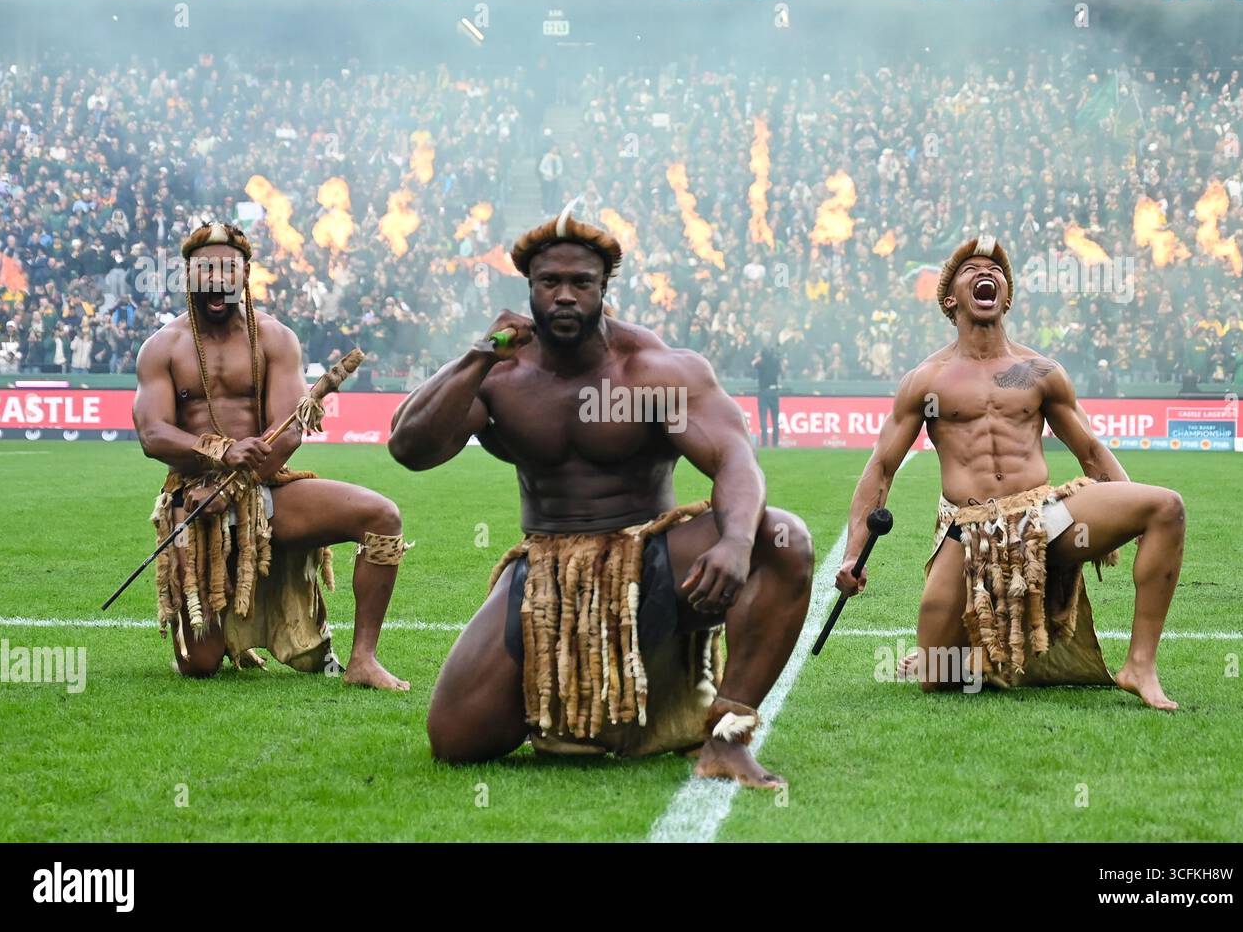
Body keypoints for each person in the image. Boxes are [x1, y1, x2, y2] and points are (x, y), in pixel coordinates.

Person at [389, 203, 814, 787]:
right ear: (529, 289)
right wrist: (480, 352)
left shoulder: (652, 368)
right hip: (547, 574)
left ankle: (728, 739)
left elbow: (734, 457)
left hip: (655, 566)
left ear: (604, 287)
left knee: (781, 538)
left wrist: (736, 540)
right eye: (550, 283)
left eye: (580, 283)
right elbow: (409, 449)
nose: (565, 296)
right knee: (456, 740)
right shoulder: (498, 373)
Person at [835, 236, 1185, 711]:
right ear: (950, 299)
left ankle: (1139, 666)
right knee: (937, 677)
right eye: (972, 269)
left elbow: (1090, 450)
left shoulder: (1040, 372)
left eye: (997, 270)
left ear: (1006, 296)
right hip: (968, 527)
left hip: (1043, 519)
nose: (988, 273)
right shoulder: (926, 380)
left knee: (1164, 506)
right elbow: (881, 468)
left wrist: (1130, 514)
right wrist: (854, 556)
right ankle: (958, 656)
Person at [132, 221, 410, 689]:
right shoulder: (163, 347)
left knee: (381, 517)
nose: (216, 279)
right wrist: (217, 455)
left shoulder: (276, 339)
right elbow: (152, 434)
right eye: (205, 270)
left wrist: (237, 482)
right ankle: (224, 634)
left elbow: (288, 431)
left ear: (244, 276)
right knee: (200, 665)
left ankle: (363, 660)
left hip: (266, 487)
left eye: (227, 269)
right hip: (195, 498)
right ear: (189, 278)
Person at [753, 331, 782, 448]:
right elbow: (780, 369)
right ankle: (775, 443)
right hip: (774, 391)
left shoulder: (761, 363)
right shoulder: (775, 362)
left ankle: (765, 443)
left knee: (763, 420)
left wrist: (758, 357)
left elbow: (753, 364)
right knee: (775, 420)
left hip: (764, 391)